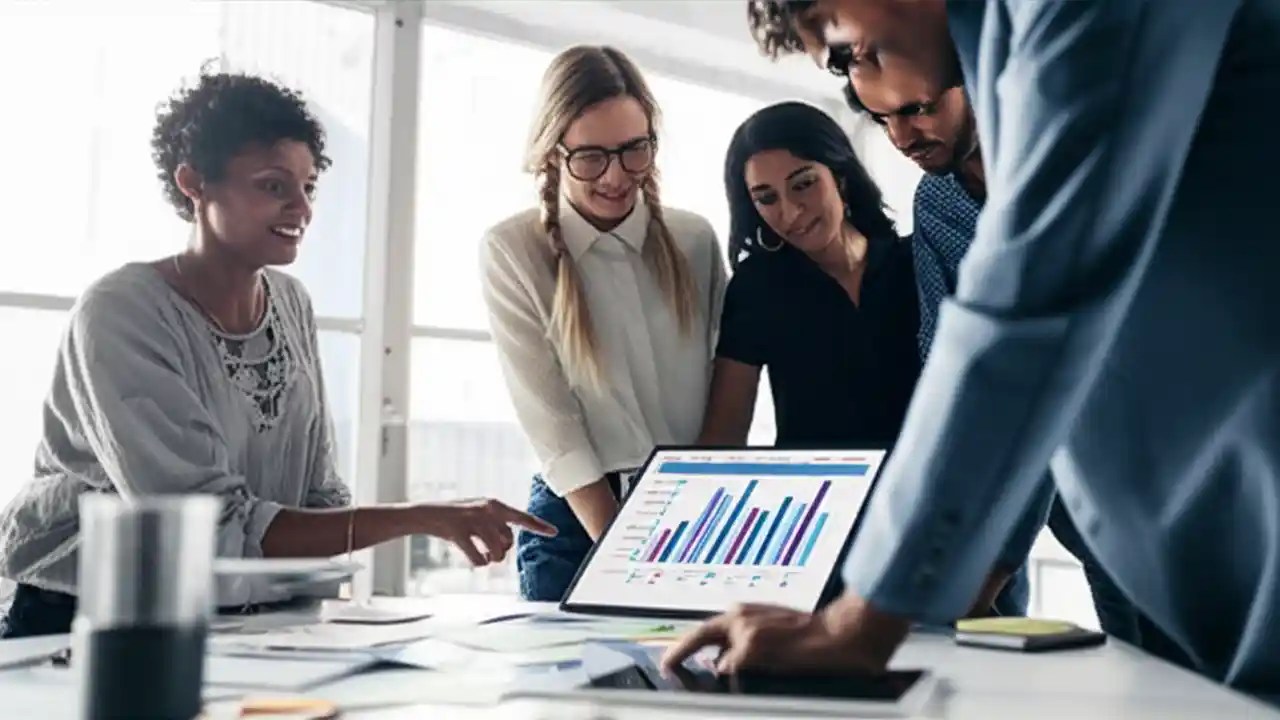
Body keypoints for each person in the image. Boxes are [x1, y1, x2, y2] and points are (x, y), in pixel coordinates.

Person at [666, 0, 1280, 699]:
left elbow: (1027, 304)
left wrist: (865, 620)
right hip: (1206, 557)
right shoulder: (990, 93)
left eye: (843, 46)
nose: (862, 80)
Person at [0, 71, 555, 639]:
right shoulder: (121, 313)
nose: (302, 208)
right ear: (194, 183)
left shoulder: (290, 302)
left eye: (309, 186)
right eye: (274, 186)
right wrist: (424, 517)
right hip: (85, 616)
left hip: (239, 617)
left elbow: (319, 491)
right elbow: (204, 528)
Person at [750, 0, 1153, 649]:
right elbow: (955, 358)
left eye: (855, 46)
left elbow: (1024, 354)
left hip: (1174, 461)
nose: (901, 132)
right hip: (1089, 504)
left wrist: (929, 593)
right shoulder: (937, 200)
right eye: (880, 115)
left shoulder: (1071, 86)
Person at [700, 101, 1023, 617]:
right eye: (766, 198)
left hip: (938, 528)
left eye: (803, 183)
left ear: (841, 177)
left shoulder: (917, 260)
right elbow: (722, 440)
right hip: (820, 543)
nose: (790, 211)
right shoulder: (759, 286)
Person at [480, 46, 725, 602]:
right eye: (590, 157)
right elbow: (554, 427)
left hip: (689, 514)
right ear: (551, 153)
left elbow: (726, 386)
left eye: (634, 151)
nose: (617, 177)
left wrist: (698, 523)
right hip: (578, 520)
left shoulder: (695, 241)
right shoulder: (513, 249)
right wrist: (628, 557)